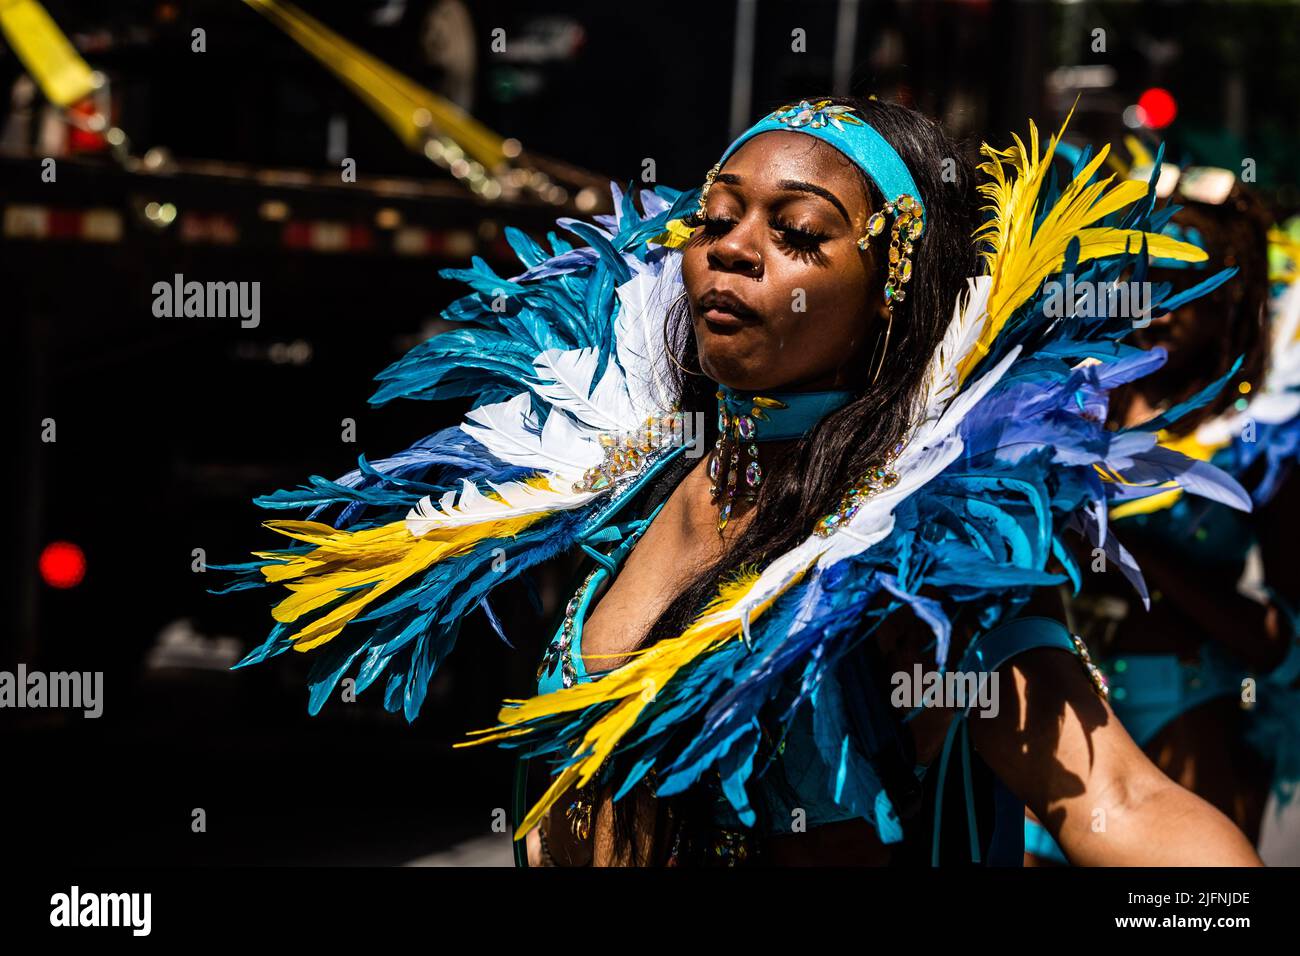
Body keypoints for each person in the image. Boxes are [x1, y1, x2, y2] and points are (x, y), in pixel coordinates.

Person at [219, 95, 1262, 866]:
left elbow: (1117, 800)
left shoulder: (919, 553)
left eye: (797, 232)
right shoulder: (624, 491)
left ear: (893, 288)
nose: (733, 250)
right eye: (714, 218)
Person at [1024, 167, 1300, 865]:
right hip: (1063, 706)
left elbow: (1281, 638)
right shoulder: (1071, 396)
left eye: (1189, 285)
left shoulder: (1254, 438)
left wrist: (1135, 553)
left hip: (1189, 706)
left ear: (1231, 297)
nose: (1162, 303)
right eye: (1151, 277)